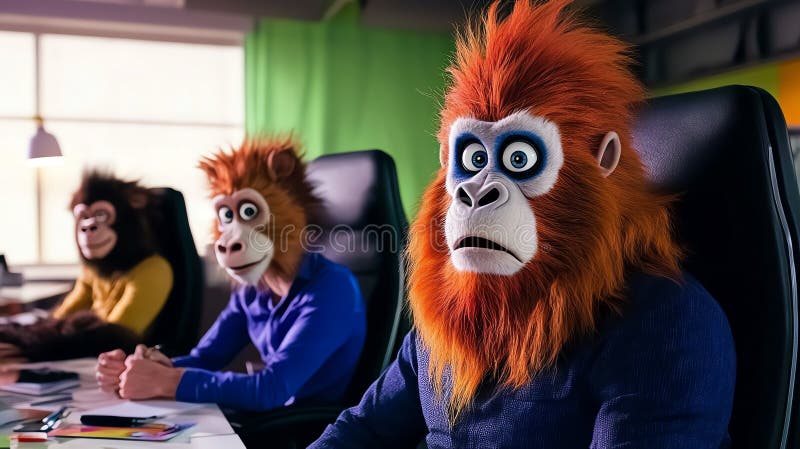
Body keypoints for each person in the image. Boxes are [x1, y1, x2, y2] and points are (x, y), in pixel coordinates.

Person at [96, 138, 367, 413]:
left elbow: (271, 389)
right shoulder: (252, 289)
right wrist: (143, 368)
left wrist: (169, 381)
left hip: (310, 429)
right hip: (271, 415)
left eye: (249, 211)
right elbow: (206, 357)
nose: (228, 239)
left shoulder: (334, 288)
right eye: (227, 214)